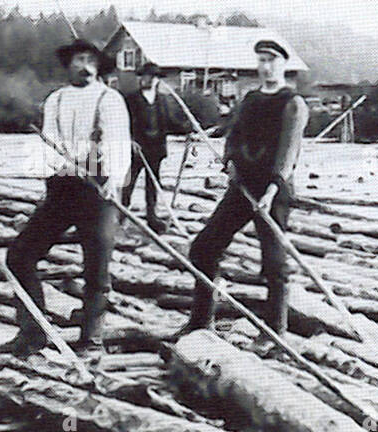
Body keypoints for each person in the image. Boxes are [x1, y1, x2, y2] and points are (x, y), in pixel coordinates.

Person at [0, 39, 129, 358]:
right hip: (62, 190)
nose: (84, 66)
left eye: (90, 60)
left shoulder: (108, 99)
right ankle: (33, 332)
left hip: (98, 192)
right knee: (20, 256)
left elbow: (118, 142)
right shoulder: (55, 100)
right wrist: (55, 166)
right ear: (67, 64)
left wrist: (113, 179)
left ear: (99, 66)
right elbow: (48, 144)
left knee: (96, 268)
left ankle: (91, 342)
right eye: (78, 59)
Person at [175, 40, 308, 345]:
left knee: (274, 263)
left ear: (284, 64)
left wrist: (273, 189)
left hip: (273, 191)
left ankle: (274, 332)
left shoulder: (293, 103)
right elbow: (233, 136)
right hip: (242, 186)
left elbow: (289, 151)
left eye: (271, 60)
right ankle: (200, 320)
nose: (265, 66)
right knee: (204, 247)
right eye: (261, 60)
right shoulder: (250, 99)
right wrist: (230, 162)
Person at [122, 62, 191, 233]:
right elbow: (123, 123)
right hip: (137, 149)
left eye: (152, 77)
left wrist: (188, 128)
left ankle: (152, 218)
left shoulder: (162, 100)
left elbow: (170, 122)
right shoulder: (131, 99)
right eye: (145, 77)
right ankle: (121, 215)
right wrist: (130, 141)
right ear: (141, 78)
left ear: (157, 80)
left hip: (156, 149)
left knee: (153, 185)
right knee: (128, 183)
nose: (148, 80)